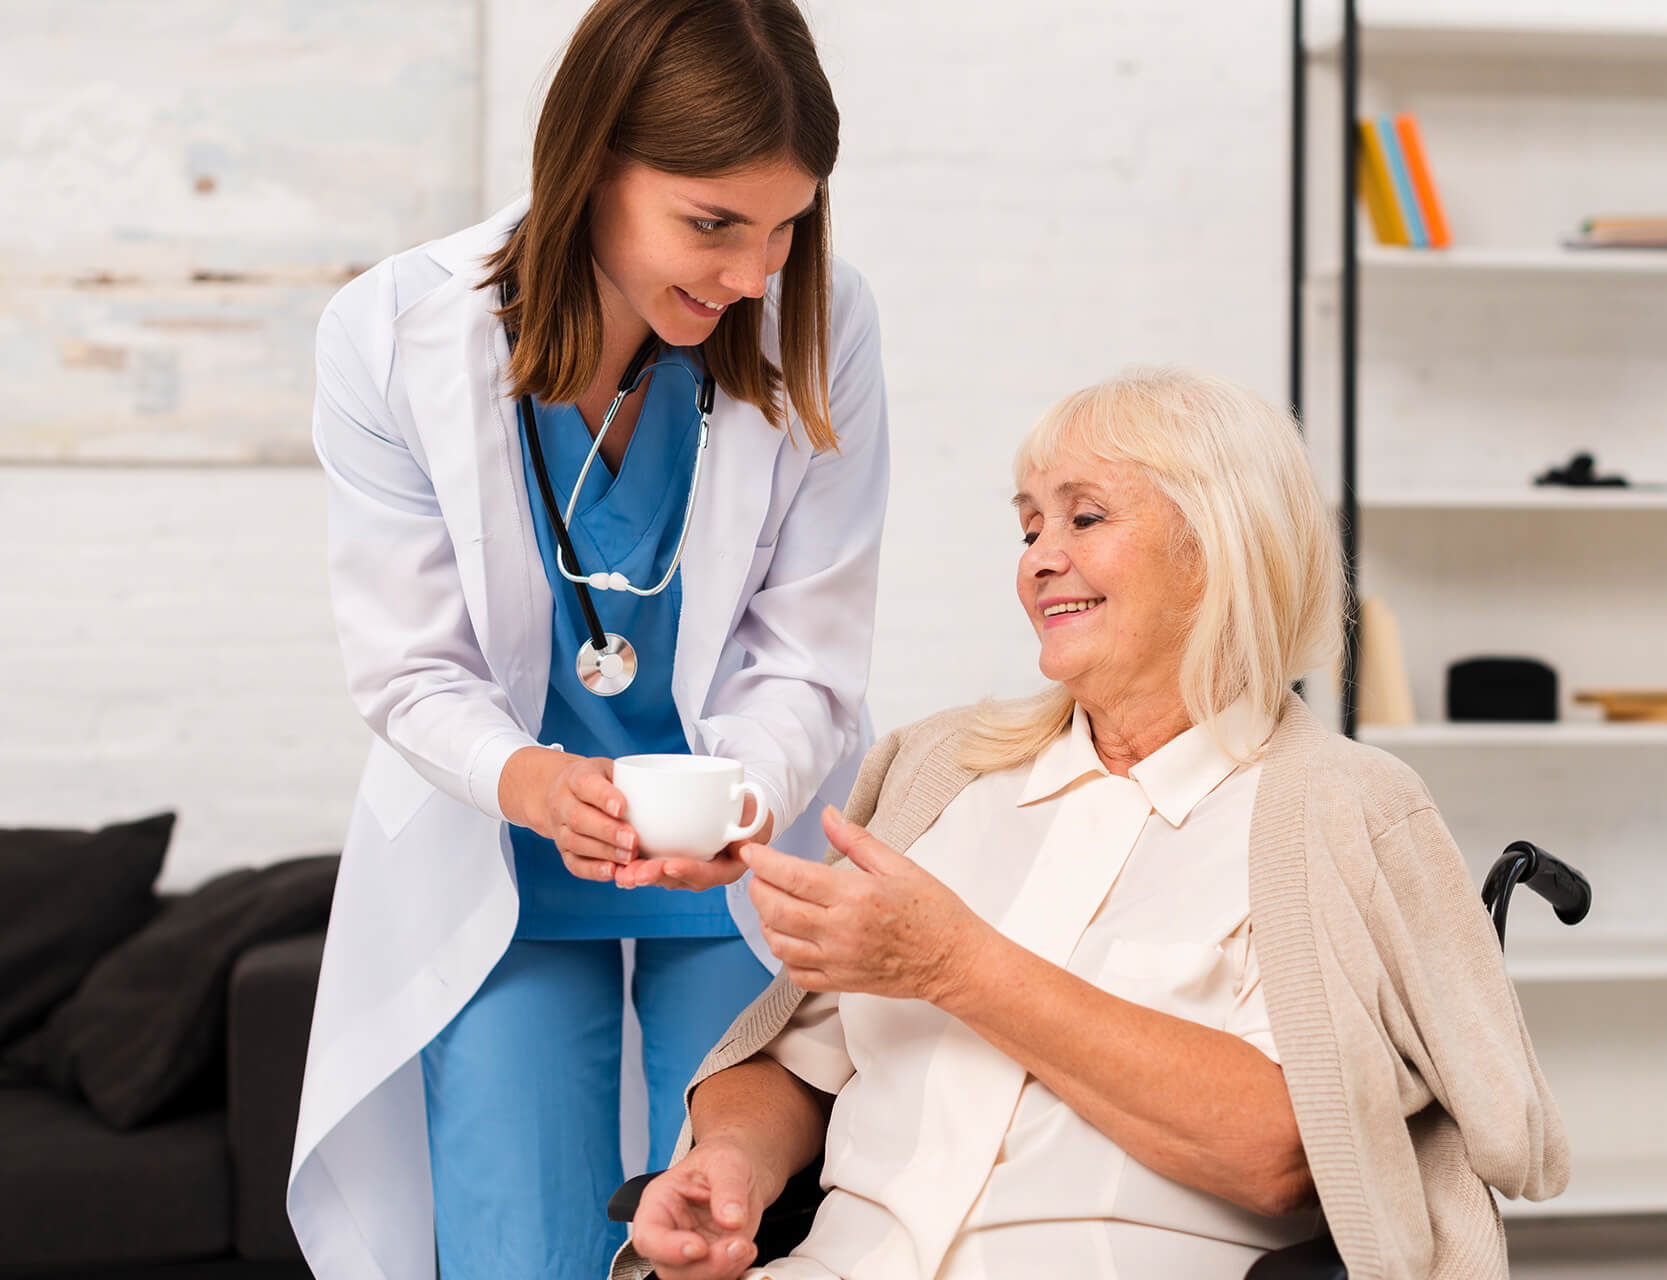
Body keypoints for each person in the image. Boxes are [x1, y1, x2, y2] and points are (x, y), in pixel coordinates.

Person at [616, 369, 1566, 1280]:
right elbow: (801, 1057)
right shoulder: (939, 770)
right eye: (1029, 527)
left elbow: (1282, 1149)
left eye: (1084, 517)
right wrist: (732, 1165)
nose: (1040, 557)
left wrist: (956, 964)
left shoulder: (1334, 808)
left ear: (1219, 545)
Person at [287, 2, 889, 1277]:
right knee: (525, 1239)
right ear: (590, 165)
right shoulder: (393, 335)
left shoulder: (819, 322)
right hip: (496, 845)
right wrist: (529, 780)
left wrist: (748, 792)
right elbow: (410, 662)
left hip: (731, 855)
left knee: (741, 1230)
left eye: (784, 226)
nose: (752, 275)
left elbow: (810, 651)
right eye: (712, 224)